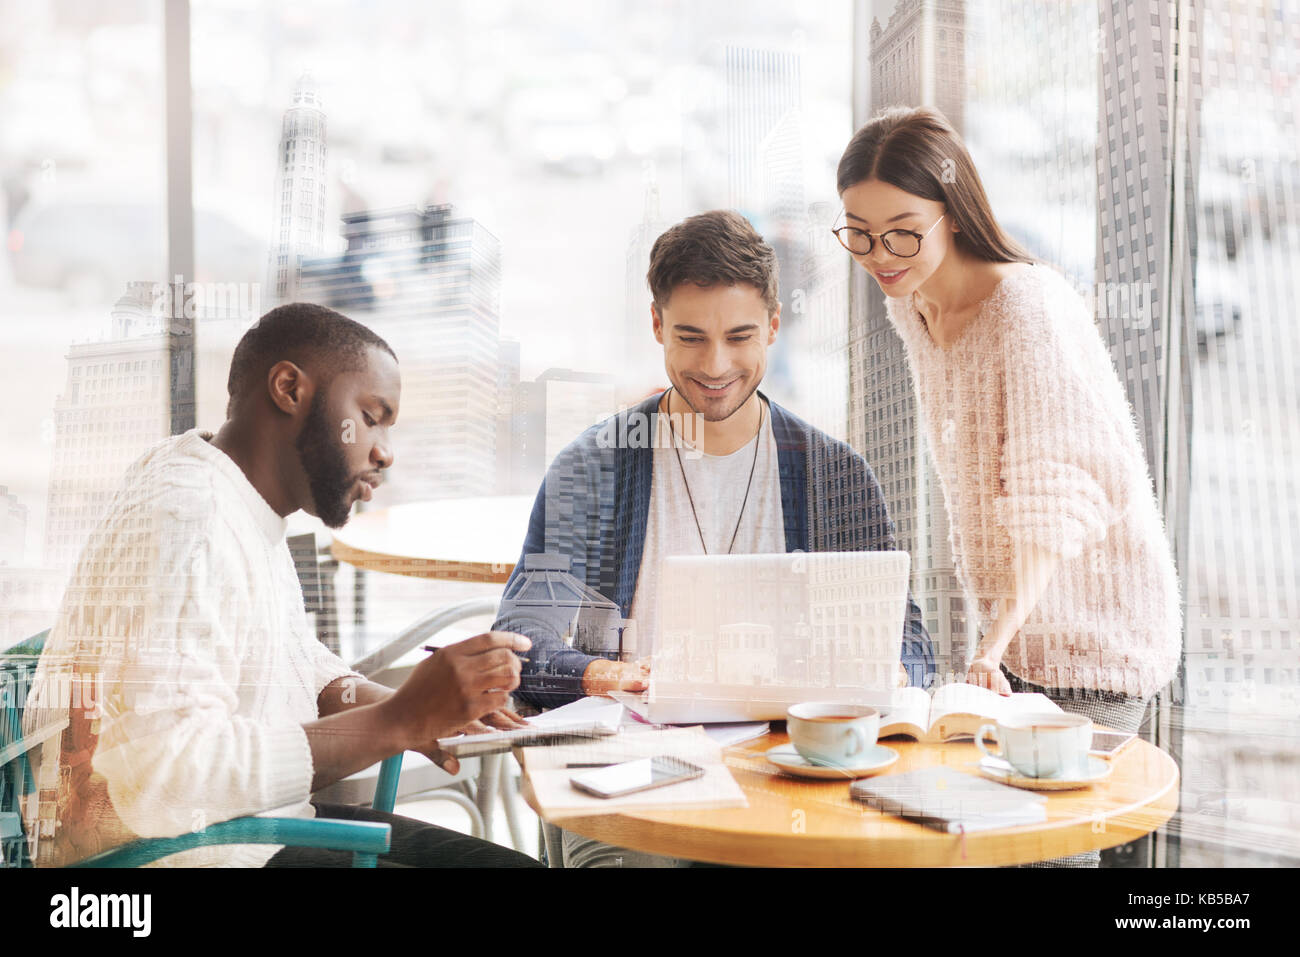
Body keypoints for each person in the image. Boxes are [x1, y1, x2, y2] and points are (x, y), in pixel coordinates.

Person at [24, 302, 539, 868]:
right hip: (171, 855)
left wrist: (415, 709)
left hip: (248, 829)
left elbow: (289, 657)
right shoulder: (190, 518)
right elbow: (162, 777)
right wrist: (397, 722)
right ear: (289, 388)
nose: (385, 452)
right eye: (371, 416)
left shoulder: (233, 494)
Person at [494, 210, 934, 866]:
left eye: (740, 336)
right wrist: (608, 671)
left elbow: (912, 649)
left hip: (792, 772)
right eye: (691, 337)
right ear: (656, 326)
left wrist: (880, 670)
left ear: (775, 327)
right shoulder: (595, 467)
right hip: (632, 773)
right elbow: (523, 642)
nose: (716, 364)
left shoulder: (833, 474)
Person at [835, 107, 1181, 863]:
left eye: (901, 230)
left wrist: (990, 645)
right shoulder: (912, 304)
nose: (878, 254)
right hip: (1014, 639)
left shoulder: (1027, 304)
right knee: (979, 841)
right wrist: (992, 646)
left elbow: (1052, 497)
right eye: (857, 231)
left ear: (952, 215)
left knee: (1047, 851)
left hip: (1096, 638)